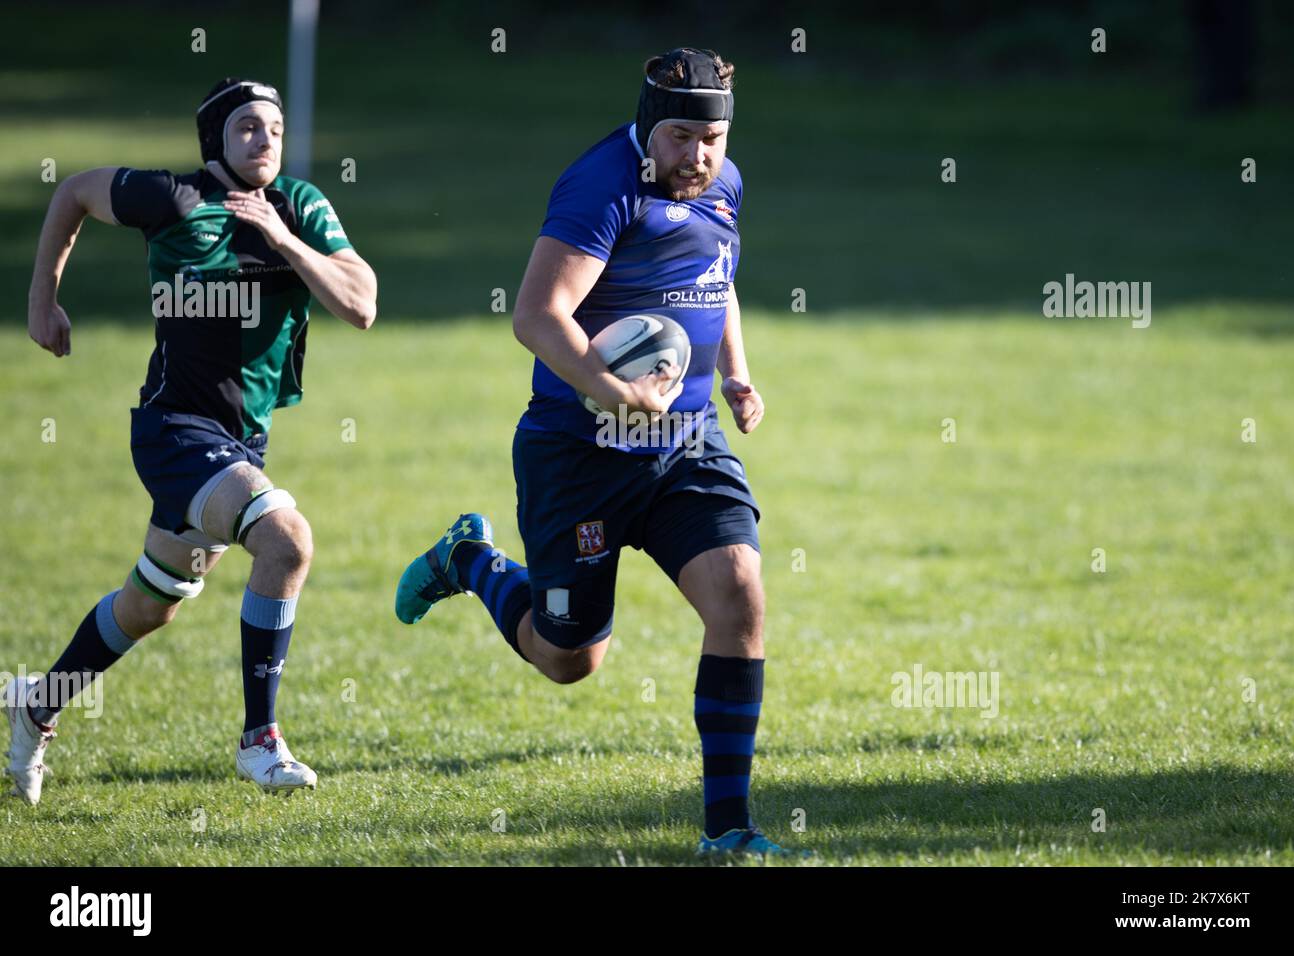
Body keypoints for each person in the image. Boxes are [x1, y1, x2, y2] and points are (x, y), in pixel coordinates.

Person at [395, 48, 787, 855]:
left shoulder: (724, 182)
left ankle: (729, 832)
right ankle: (470, 562)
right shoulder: (600, 186)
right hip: (579, 456)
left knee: (741, 595)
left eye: (712, 139)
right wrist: (610, 388)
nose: (698, 157)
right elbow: (538, 315)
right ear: (649, 123)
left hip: (684, 444)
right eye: (681, 137)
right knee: (568, 658)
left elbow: (714, 273)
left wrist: (738, 377)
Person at [6, 77, 378, 803]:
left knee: (151, 604)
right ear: (214, 140)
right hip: (175, 431)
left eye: (272, 126)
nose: (264, 138)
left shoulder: (299, 206)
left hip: (242, 443)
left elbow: (360, 304)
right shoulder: (171, 198)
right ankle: (259, 740)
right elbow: (74, 192)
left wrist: (282, 240)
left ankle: (36, 704)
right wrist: (42, 299)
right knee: (287, 540)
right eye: (245, 126)